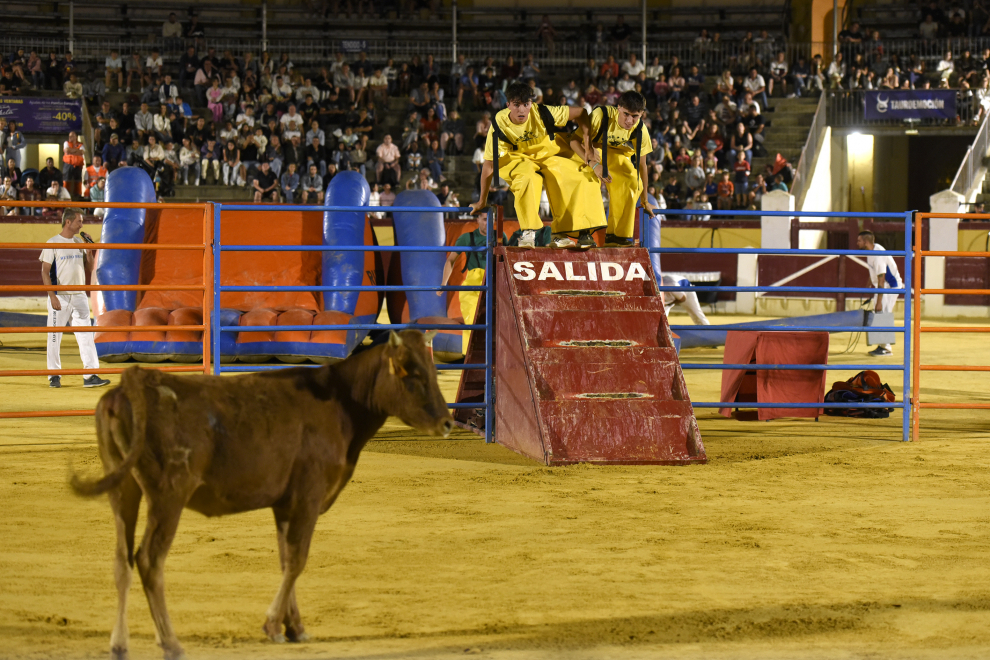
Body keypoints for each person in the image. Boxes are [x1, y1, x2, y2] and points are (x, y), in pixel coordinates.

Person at [472, 82, 605, 249]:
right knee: (527, 177)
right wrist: (481, 200)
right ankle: (528, 232)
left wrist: (588, 143)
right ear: (508, 105)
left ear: (531, 104)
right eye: (516, 105)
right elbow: (489, 164)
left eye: (526, 105)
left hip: (547, 153)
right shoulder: (499, 124)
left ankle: (570, 232)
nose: (521, 110)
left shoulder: (542, 111)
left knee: (580, 174)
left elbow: (581, 112)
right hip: (517, 157)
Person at [572, 90, 655, 247]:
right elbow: (574, 142)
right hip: (588, 152)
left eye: (635, 116)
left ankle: (616, 236)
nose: (630, 120)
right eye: (626, 114)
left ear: (642, 114)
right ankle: (584, 231)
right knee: (589, 180)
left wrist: (644, 200)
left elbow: (642, 165)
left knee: (632, 181)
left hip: (614, 154)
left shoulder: (640, 129)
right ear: (618, 108)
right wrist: (594, 163)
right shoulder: (600, 115)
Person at [39, 209, 110, 389]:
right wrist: (52, 296)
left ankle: (91, 375)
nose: (82, 224)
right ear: (68, 222)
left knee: (86, 335)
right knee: (54, 336)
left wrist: (89, 252)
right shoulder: (52, 243)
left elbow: (89, 267)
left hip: (79, 295)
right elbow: (44, 272)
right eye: (79, 221)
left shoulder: (79, 242)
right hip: (60, 296)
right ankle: (54, 375)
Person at [439, 213, 506, 344]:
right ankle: (469, 359)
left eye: (491, 220)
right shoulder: (466, 238)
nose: (488, 223)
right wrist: (444, 283)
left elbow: (507, 260)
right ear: (478, 220)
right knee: (472, 321)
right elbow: (450, 261)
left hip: (495, 284)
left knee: (498, 323)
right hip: (473, 286)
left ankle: (493, 359)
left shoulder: (500, 237)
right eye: (485, 219)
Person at [857, 230, 903, 357]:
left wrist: (878, 302)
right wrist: (870, 283)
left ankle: (886, 348)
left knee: (883, 312)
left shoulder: (878, 255)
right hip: (883, 286)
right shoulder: (872, 251)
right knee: (880, 314)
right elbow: (876, 272)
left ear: (866, 242)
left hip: (890, 287)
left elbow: (882, 278)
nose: (857, 243)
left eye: (859, 241)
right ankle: (882, 345)